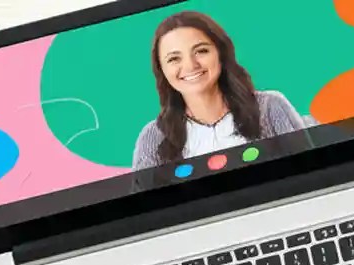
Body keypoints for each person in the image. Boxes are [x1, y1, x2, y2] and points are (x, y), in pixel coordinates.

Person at [132, 11, 307, 171]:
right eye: (174, 59)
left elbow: (311, 171)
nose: (191, 66)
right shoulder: (152, 137)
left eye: (201, 51)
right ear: (161, 69)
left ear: (221, 54)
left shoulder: (270, 107)